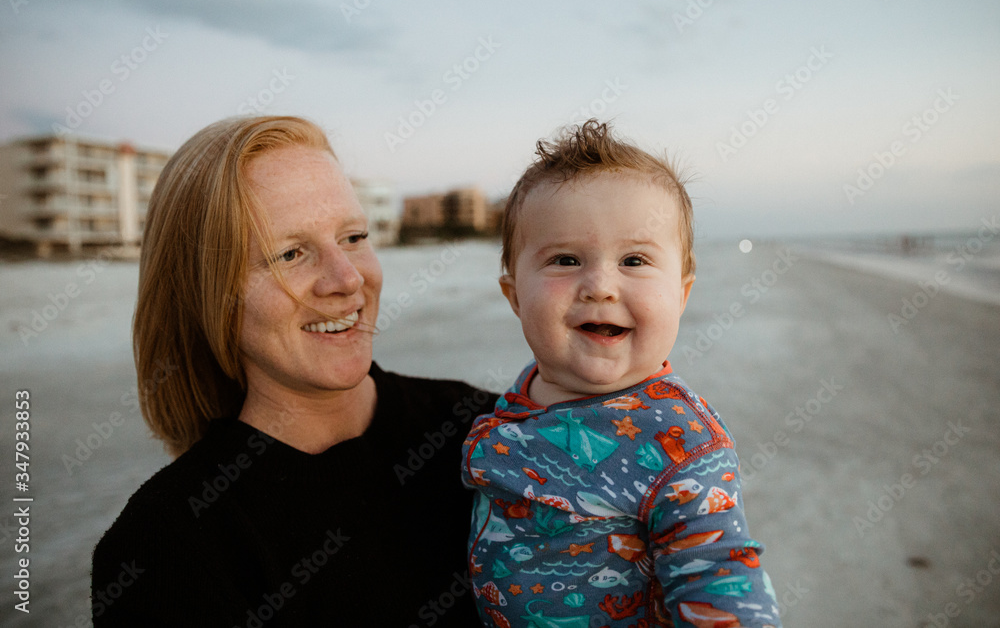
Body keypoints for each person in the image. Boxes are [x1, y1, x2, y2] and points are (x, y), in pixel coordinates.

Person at [91, 116, 496, 626]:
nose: (348, 279)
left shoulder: (484, 433)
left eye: (352, 236)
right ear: (206, 294)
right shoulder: (166, 546)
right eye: (290, 253)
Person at [461, 120, 781, 626]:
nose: (600, 286)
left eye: (634, 260)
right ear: (514, 296)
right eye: (565, 259)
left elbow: (719, 577)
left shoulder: (680, 441)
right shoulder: (526, 389)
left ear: (681, 294)